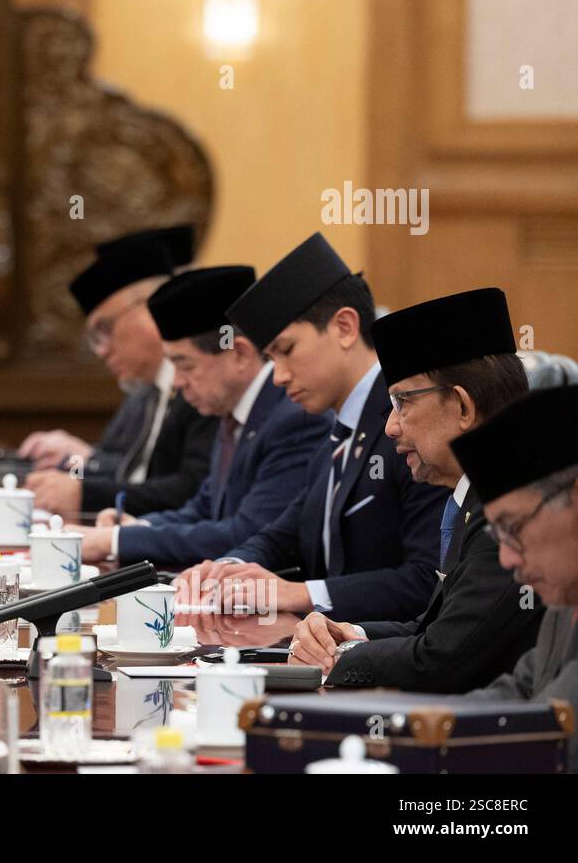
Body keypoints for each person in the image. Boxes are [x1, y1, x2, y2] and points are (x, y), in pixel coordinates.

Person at [176, 233, 442, 621]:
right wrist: (230, 568)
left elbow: (426, 580)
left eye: (286, 351)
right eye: (270, 359)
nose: (279, 377)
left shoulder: (407, 424)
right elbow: (284, 534)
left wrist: (301, 594)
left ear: (345, 328)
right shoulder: (336, 429)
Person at [288, 289, 543, 692]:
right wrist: (348, 633)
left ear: (462, 406)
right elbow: (433, 627)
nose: (390, 426)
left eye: (402, 402)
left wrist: (333, 659)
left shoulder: (515, 509)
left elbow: (440, 660)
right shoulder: (474, 497)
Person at [76, 265, 330, 565]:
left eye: (185, 366)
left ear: (239, 354)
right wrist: (137, 526)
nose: (177, 382)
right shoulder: (232, 415)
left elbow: (245, 532)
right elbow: (203, 507)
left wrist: (116, 541)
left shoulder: (294, 419)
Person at [21, 227, 217, 517]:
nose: (101, 351)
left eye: (105, 329)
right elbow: (136, 472)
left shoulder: (202, 377)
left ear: (149, 310)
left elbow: (190, 490)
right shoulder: (149, 389)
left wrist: (84, 492)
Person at [451, 385, 578, 770]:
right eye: (497, 536)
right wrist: (404, 729)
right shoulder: (565, 595)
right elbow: (524, 688)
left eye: (513, 528)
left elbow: (547, 733)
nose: (505, 558)